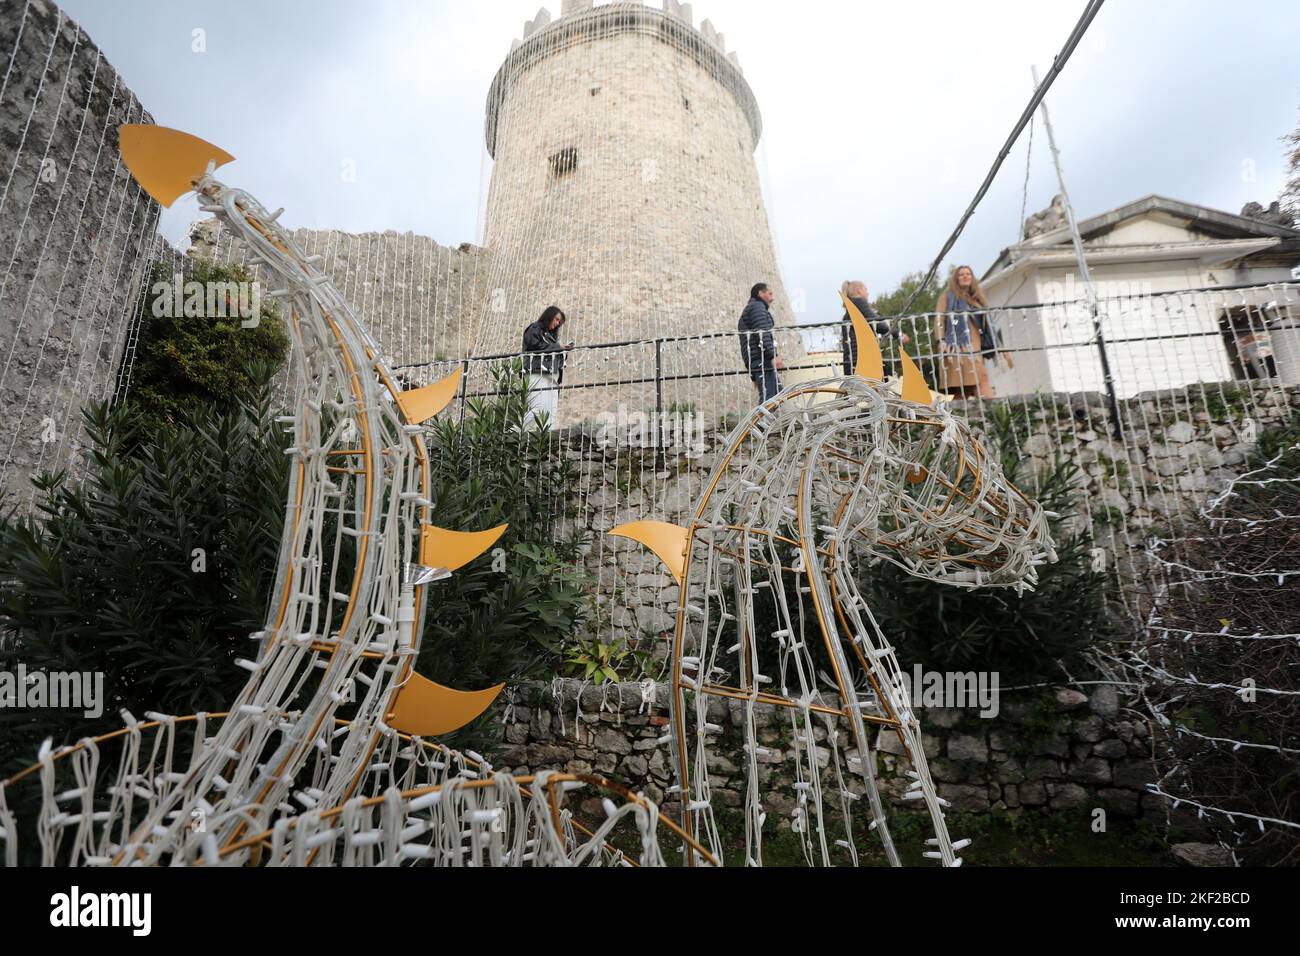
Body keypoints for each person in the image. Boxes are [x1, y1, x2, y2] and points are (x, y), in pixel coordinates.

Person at [933, 266, 1003, 400]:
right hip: (955, 346)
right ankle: (992, 411)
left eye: (968, 274)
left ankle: (991, 411)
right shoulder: (947, 296)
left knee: (978, 380)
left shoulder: (976, 299)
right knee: (962, 387)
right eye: (961, 274)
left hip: (975, 346)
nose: (965, 276)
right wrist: (940, 340)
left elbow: (987, 323)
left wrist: (998, 344)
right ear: (956, 279)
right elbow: (939, 318)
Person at [840, 279, 909, 376]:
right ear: (858, 291)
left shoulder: (850, 309)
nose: (868, 292)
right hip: (861, 360)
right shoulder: (859, 302)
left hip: (852, 360)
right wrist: (898, 334)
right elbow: (877, 323)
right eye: (865, 289)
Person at [521, 306, 573, 427]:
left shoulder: (550, 337)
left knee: (550, 414)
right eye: (556, 319)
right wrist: (557, 347)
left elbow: (550, 352)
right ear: (549, 316)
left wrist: (562, 350)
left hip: (552, 378)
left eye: (559, 322)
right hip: (537, 373)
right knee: (537, 409)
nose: (557, 323)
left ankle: (547, 442)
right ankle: (514, 433)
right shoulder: (535, 328)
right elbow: (534, 346)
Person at [738, 282, 785, 403]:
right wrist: (774, 355)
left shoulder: (753, 308)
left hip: (757, 360)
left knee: (776, 394)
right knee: (770, 398)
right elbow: (762, 332)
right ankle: (761, 422)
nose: (772, 298)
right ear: (761, 293)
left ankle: (768, 421)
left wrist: (752, 374)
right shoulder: (757, 307)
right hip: (761, 360)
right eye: (770, 293)